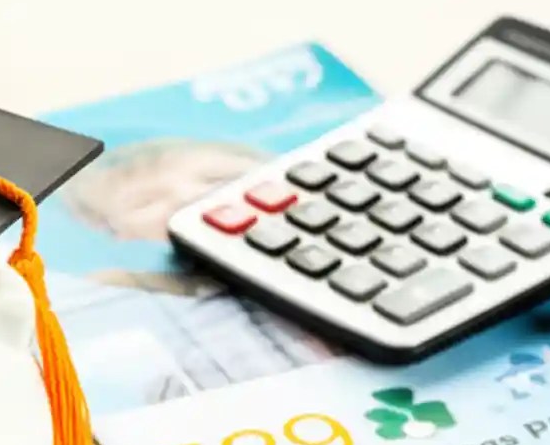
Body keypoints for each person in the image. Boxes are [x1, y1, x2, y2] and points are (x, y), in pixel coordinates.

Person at [51, 137, 342, 406]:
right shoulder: (142, 296)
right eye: (145, 202)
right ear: (117, 232)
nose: (190, 196)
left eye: (221, 179)